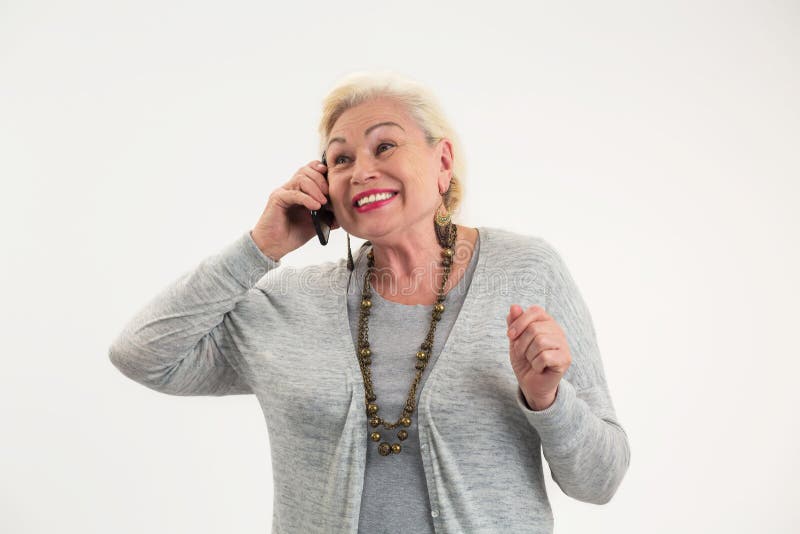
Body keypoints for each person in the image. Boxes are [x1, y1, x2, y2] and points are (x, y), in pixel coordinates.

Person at [109, 71, 631, 533]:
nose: (361, 171)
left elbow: (600, 480)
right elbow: (142, 353)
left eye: (385, 147)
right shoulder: (290, 306)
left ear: (442, 161)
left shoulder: (525, 270)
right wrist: (260, 247)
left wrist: (548, 399)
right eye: (340, 159)